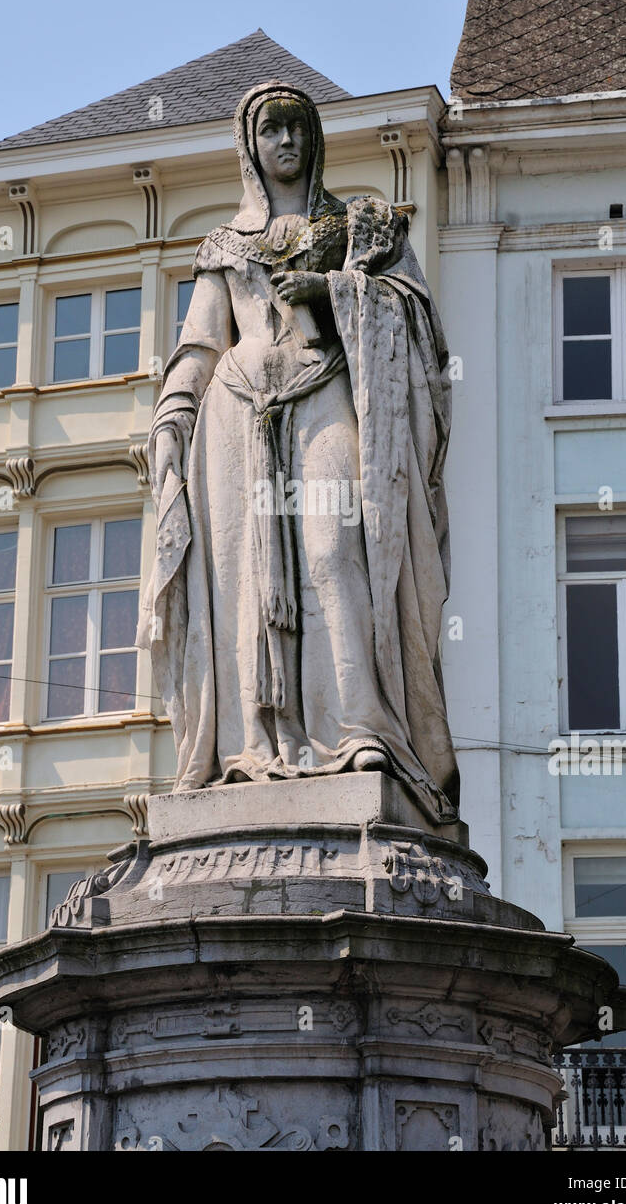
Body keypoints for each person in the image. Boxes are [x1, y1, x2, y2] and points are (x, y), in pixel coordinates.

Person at [137, 79, 458, 817]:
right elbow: (200, 346)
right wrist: (171, 415)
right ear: (249, 147)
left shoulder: (361, 226)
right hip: (235, 417)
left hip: (326, 396)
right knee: (241, 580)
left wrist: (334, 290)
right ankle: (247, 744)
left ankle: (360, 732)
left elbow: (420, 332)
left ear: (314, 140)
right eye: (269, 130)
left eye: (295, 128)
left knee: (331, 553)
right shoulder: (224, 242)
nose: (284, 142)